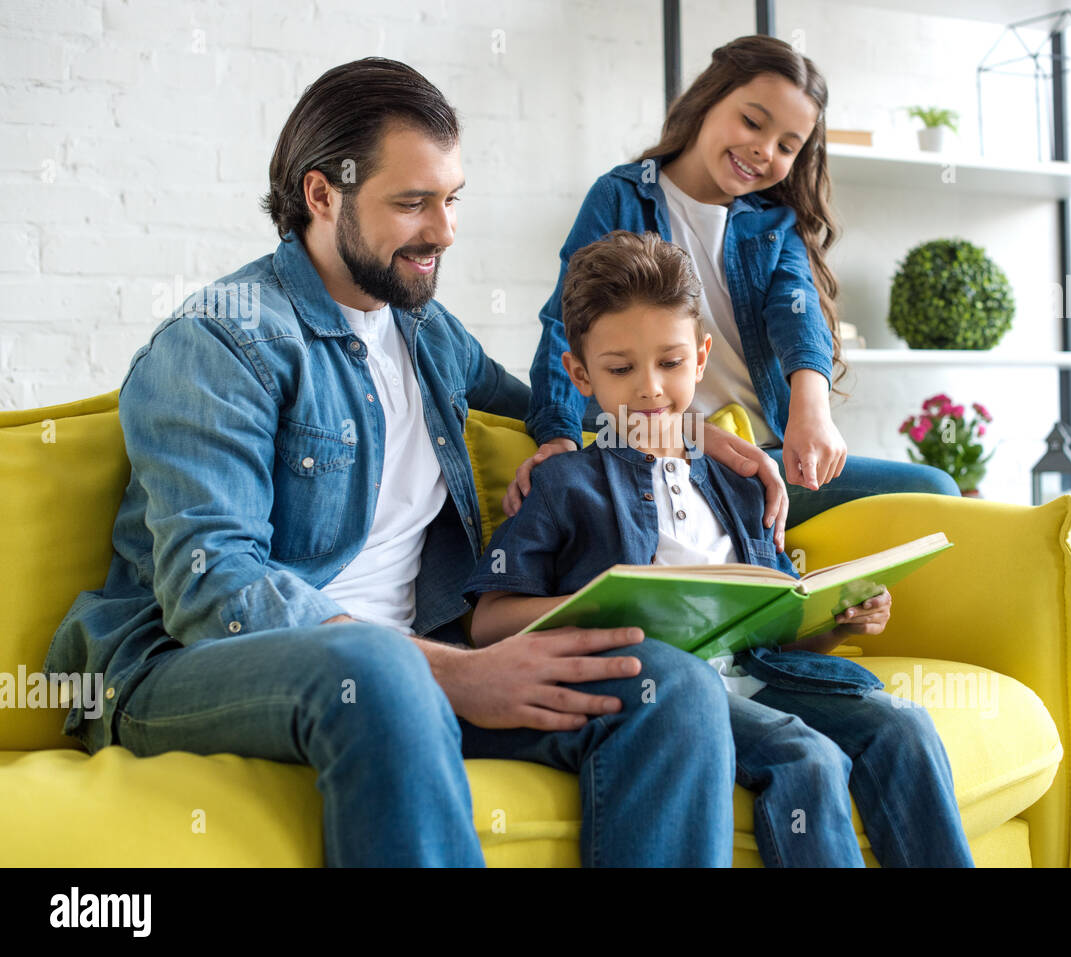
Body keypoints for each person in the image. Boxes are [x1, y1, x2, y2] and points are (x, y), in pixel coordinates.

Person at [40, 57, 737, 868]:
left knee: (667, 686)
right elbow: (213, 591)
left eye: (450, 200)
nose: (443, 231)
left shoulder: (426, 333)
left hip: (401, 665)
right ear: (321, 194)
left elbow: (562, 403)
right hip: (190, 671)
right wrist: (449, 671)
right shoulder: (223, 341)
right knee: (377, 666)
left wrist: (688, 435)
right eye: (412, 203)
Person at [465, 230, 973, 867]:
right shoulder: (565, 485)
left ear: (701, 357)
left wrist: (837, 618)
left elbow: (778, 622)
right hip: (665, 697)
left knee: (903, 726)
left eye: (671, 363)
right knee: (806, 754)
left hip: (763, 677)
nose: (650, 389)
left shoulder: (737, 478)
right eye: (621, 369)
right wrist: (596, 607)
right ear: (579, 374)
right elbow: (486, 623)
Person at [509, 35, 962, 534]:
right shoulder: (621, 196)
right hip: (654, 443)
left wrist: (811, 414)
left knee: (937, 493)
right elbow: (565, 326)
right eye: (752, 122)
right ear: (708, 99)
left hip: (762, 452)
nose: (762, 150)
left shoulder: (776, 223)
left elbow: (798, 314)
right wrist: (558, 434)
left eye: (787, 146)